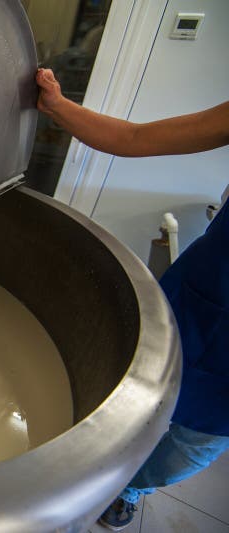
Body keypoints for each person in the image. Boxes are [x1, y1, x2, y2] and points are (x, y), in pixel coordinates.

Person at [36, 68, 229, 531]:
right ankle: (77, 461)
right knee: (132, 389)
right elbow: (134, 137)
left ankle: (129, 486)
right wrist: (58, 106)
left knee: (193, 443)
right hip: (207, 291)